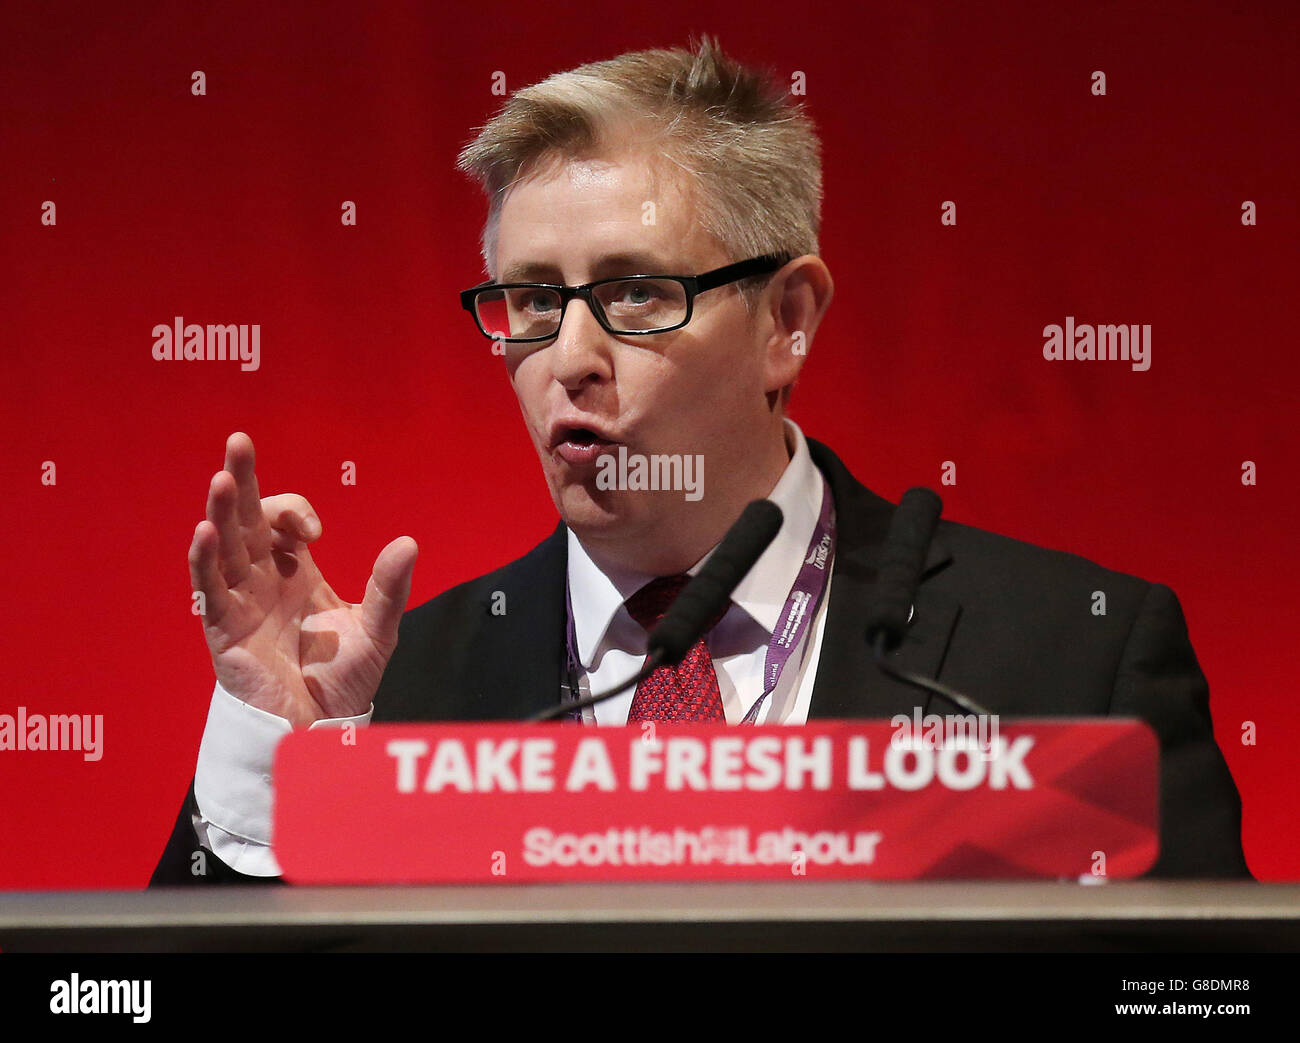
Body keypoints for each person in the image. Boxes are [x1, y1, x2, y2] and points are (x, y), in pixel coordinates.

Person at [151, 37, 1248, 885]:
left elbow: (1203, 998)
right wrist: (277, 753)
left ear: (787, 319)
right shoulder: (400, 695)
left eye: (633, 291)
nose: (568, 358)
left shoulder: (1067, 659)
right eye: (531, 299)